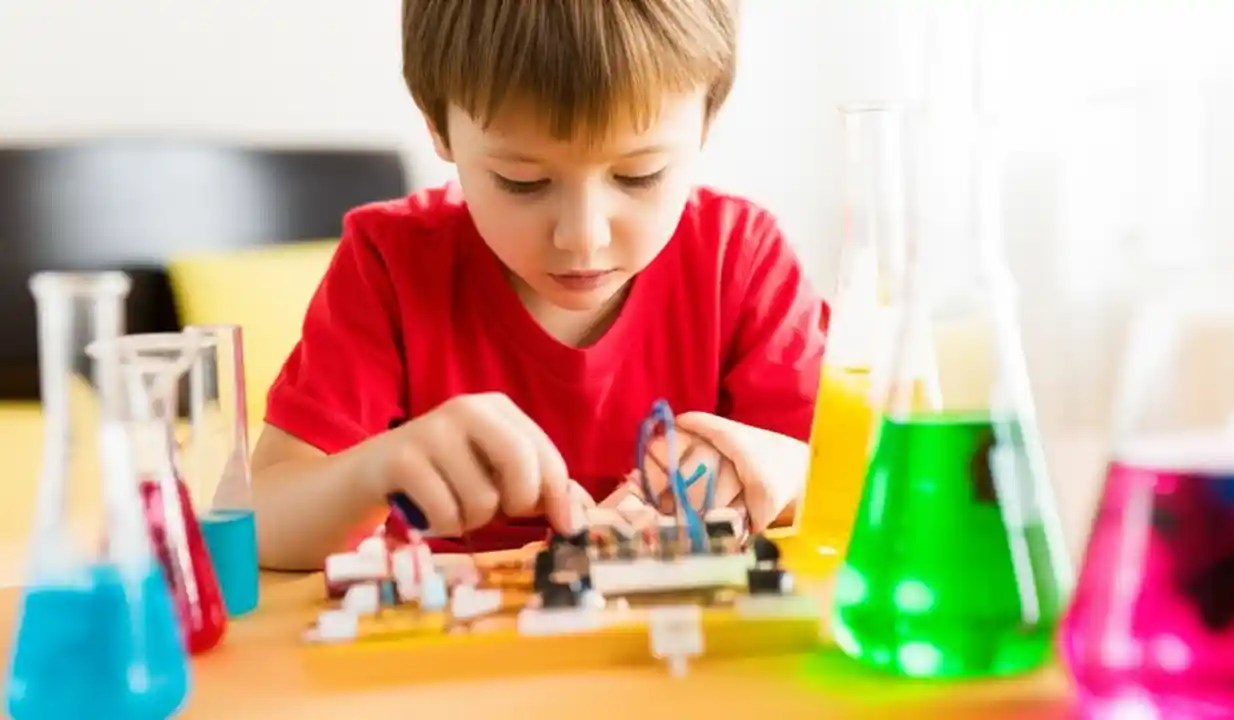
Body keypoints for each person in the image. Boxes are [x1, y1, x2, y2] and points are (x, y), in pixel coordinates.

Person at [251, 0, 826, 571]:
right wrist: (376, 472)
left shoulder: (743, 261)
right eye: (521, 181)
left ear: (706, 122)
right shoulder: (389, 268)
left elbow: (855, 485)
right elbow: (261, 523)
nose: (583, 236)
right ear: (437, 127)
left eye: (639, 175)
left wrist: (781, 471)